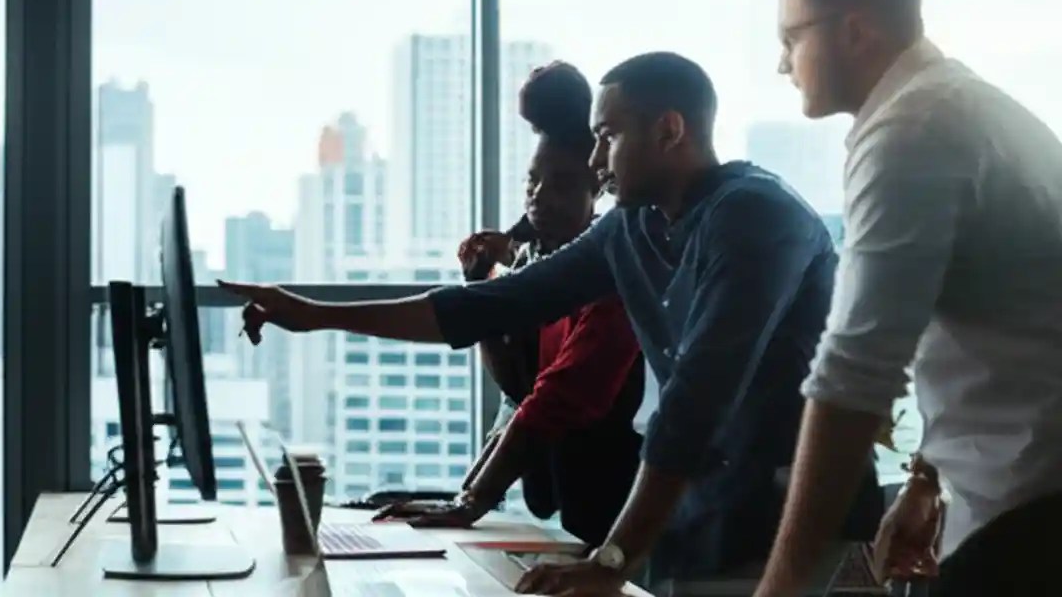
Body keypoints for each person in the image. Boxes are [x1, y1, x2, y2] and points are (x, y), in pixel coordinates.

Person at [222, 52, 882, 596]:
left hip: (790, 507)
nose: (596, 159)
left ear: (670, 130)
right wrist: (311, 314)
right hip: (705, 507)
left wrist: (609, 562)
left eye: (608, 136)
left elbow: (696, 401)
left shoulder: (752, 218)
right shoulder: (634, 226)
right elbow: (493, 305)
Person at [755, 0, 1062, 597]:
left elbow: (852, 378)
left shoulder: (911, 131)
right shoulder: (958, 106)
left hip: (1033, 517)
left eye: (791, 38)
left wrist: (778, 588)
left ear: (854, 30)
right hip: (1021, 497)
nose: (782, 64)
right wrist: (926, 477)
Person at [375, 62, 646, 548]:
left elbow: (548, 401)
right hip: (559, 491)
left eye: (562, 185)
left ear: (597, 190)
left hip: (612, 498)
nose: (539, 198)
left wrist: (470, 502)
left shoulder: (607, 274)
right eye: (531, 184)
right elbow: (517, 390)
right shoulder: (532, 260)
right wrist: (465, 499)